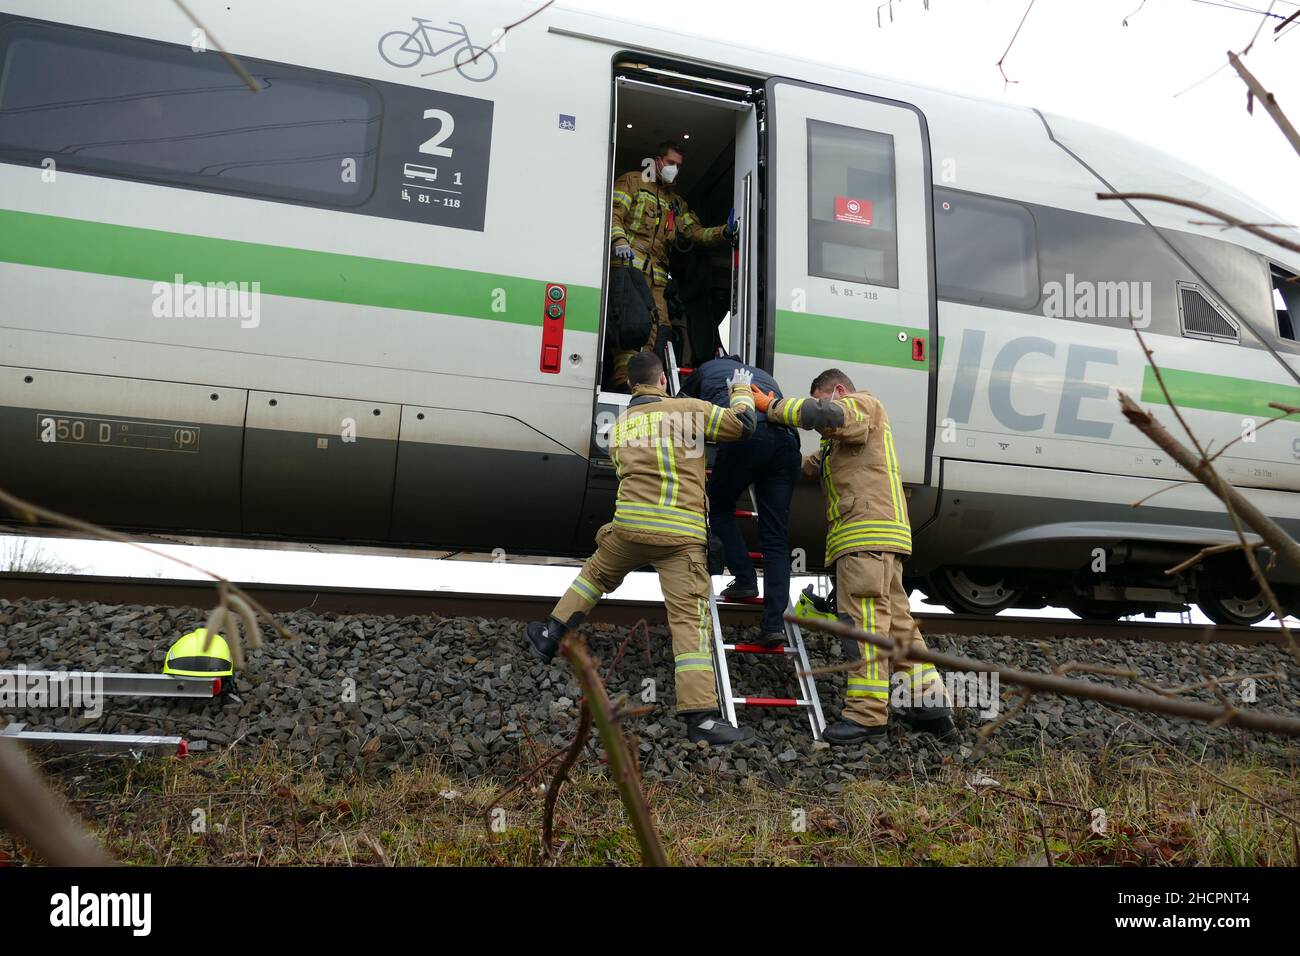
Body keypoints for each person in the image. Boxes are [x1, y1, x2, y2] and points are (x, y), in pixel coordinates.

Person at [523, 351, 757, 745]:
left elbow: (623, 473)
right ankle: (700, 717)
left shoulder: (619, 427)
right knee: (688, 622)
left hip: (630, 529)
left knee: (594, 576)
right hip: (680, 538)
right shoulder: (689, 410)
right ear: (663, 380)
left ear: (631, 386)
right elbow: (743, 425)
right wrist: (741, 388)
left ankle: (550, 634)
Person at [753, 369, 957, 745]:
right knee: (897, 627)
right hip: (882, 542)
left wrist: (773, 407)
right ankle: (931, 708)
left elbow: (825, 415)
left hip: (865, 539)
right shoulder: (844, 442)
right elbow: (807, 465)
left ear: (839, 391)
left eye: (823, 398)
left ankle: (866, 716)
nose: (823, 408)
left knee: (863, 625)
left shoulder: (862, 405)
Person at [680, 356, 800, 647]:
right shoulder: (765, 376)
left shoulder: (705, 369)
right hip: (787, 445)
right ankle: (773, 626)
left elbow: (680, 405)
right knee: (774, 538)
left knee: (720, 507)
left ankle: (745, 577)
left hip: (748, 436)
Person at [607, 141, 736, 386]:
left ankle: (646, 384)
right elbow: (613, 213)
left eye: (678, 165)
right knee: (632, 325)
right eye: (670, 163)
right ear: (657, 161)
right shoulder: (633, 182)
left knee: (660, 330)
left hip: (657, 277)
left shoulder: (675, 203)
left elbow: (695, 233)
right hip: (629, 268)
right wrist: (619, 239)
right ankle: (624, 383)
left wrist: (725, 232)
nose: (674, 169)